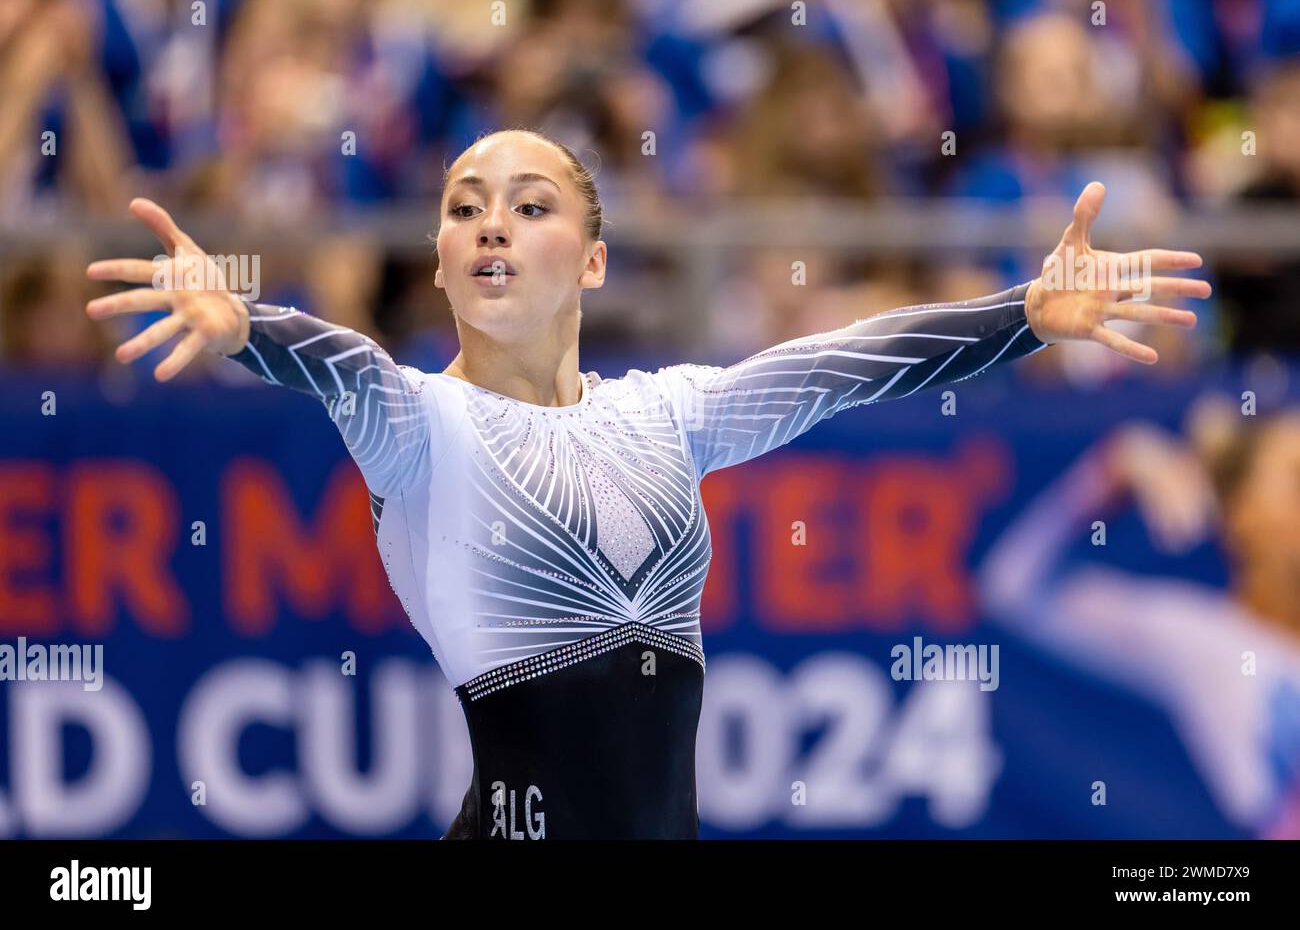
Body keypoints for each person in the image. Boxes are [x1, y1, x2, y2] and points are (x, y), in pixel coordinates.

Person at [83, 127, 1209, 839]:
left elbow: (847, 366)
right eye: (464, 204)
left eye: (531, 206)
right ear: (434, 258)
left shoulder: (669, 412)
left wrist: (1020, 317)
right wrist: (243, 324)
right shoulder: (419, 424)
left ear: (594, 260)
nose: (490, 225)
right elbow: (341, 364)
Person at [978, 397, 1300, 837]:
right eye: (1298, 481)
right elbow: (1010, 589)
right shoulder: (1201, 642)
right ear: (1243, 516)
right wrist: (1110, 472)